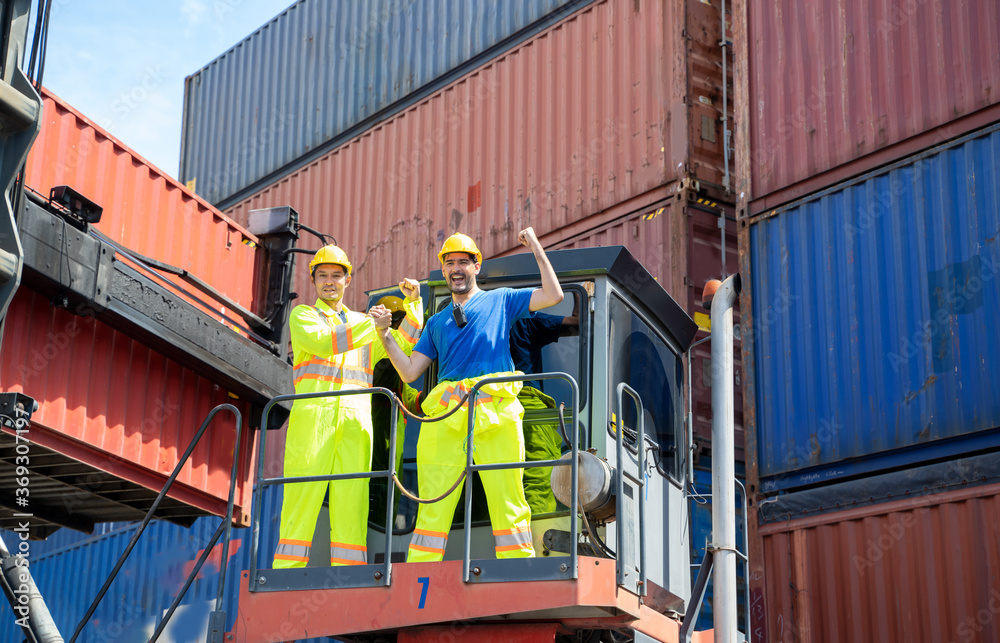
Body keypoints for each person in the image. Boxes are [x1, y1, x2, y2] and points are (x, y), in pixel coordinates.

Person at [372, 228, 563, 562]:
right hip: (447, 418)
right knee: (433, 503)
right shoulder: (437, 323)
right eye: (450, 263)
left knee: (508, 499)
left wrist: (534, 245)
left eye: (463, 261)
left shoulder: (502, 300)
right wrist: (385, 335)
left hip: (495, 414)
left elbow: (553, 295)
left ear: (477, 266)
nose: (456, 268)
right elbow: (410, 372)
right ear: (444, 270)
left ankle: (517, 568)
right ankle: (421, 575)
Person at [273, 245, 423, 568]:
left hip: (356, 427)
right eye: (323, 275)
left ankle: (350, 577)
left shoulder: (364, 322)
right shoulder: (303, 317)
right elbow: (327, 341)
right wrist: (377, 326)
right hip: (313, 424)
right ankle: (285, 575)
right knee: (301, 501)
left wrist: (414, 307)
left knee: (353, 506)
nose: (330, 282)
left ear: (348, 280)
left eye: (336, 276)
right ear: (313, 280)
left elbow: (403, 346)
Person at [509, 304, 579, 515]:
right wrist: (583, 291)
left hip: (484, 406)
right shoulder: (522, 318)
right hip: (526, 402)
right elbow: (577, 324)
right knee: (538, 475)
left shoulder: (475, 320)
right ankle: (538, 534)